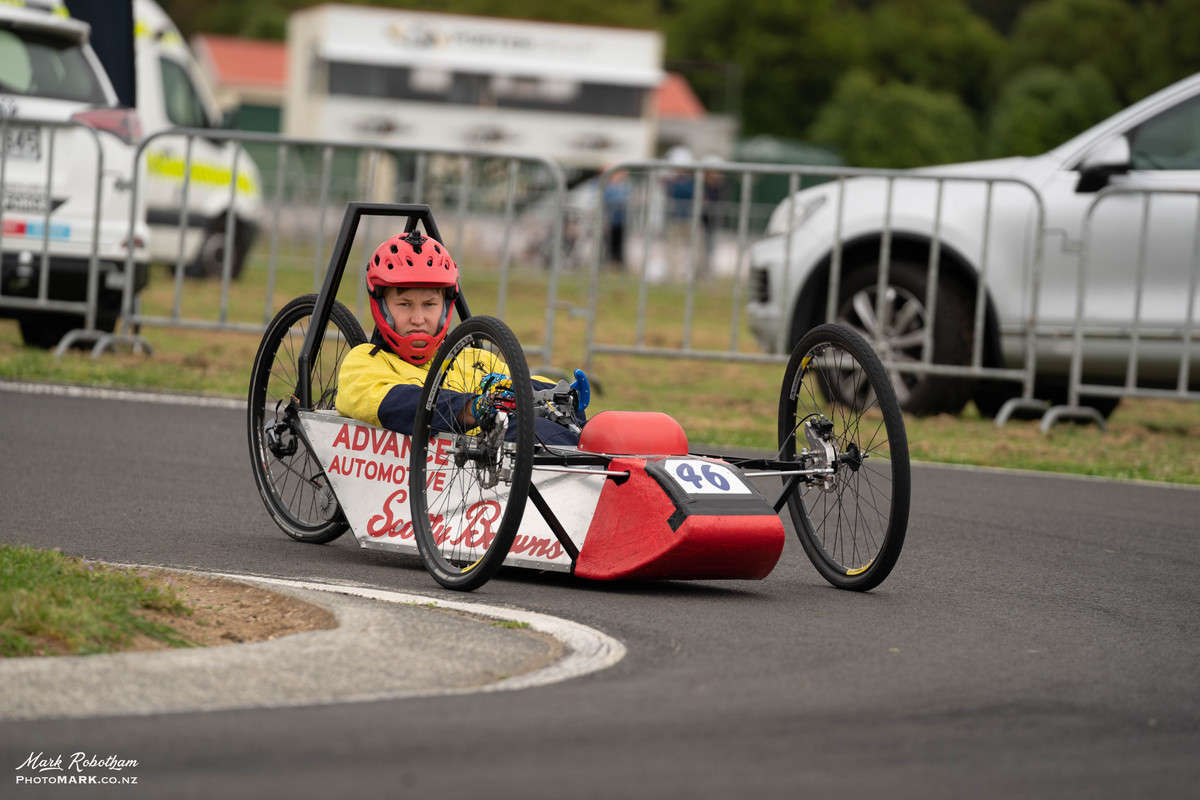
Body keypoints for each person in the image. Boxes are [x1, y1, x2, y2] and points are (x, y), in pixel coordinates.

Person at [335, 230, 585, 446]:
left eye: (430, 304)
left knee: (607, 430)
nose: (419, 318)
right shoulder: (362, 363)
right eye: (404, 304)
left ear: (445, 309)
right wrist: (473, 407)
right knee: (534, 433)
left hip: (492, 476)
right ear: (382, 307)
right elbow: (395, 404)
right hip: (436, 473)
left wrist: (560, 394)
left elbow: (520, 384)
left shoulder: (476, 358)